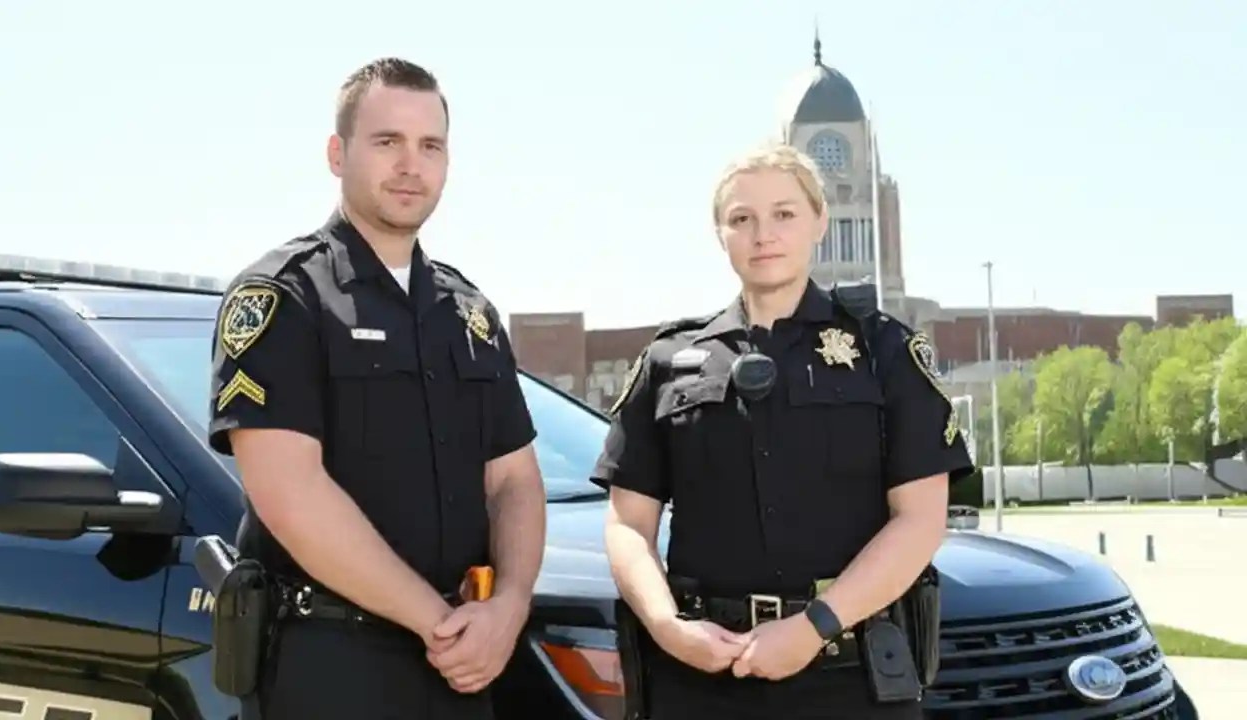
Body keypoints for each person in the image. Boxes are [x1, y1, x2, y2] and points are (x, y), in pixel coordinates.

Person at [207, 57, 547, 719]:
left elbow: (514, 480)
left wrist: (509, 606)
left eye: (431, 146)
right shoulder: (284, 296)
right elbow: (289, 492)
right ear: (338, 154)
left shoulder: (468, 311)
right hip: (332, 664)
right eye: (387, 142)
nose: (410, 165)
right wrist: (437, 622)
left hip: (463, 669)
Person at [594, 143, 975, 720]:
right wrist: (667, 626)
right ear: (719, 233)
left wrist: (814, 626)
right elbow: (627, 522)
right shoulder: (671, 360)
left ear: (819, 220)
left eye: (784, 214)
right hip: (700, 678)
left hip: (846, 676)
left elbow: (921, 519)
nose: (762, 233)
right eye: (741, 218)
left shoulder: (883, 351)